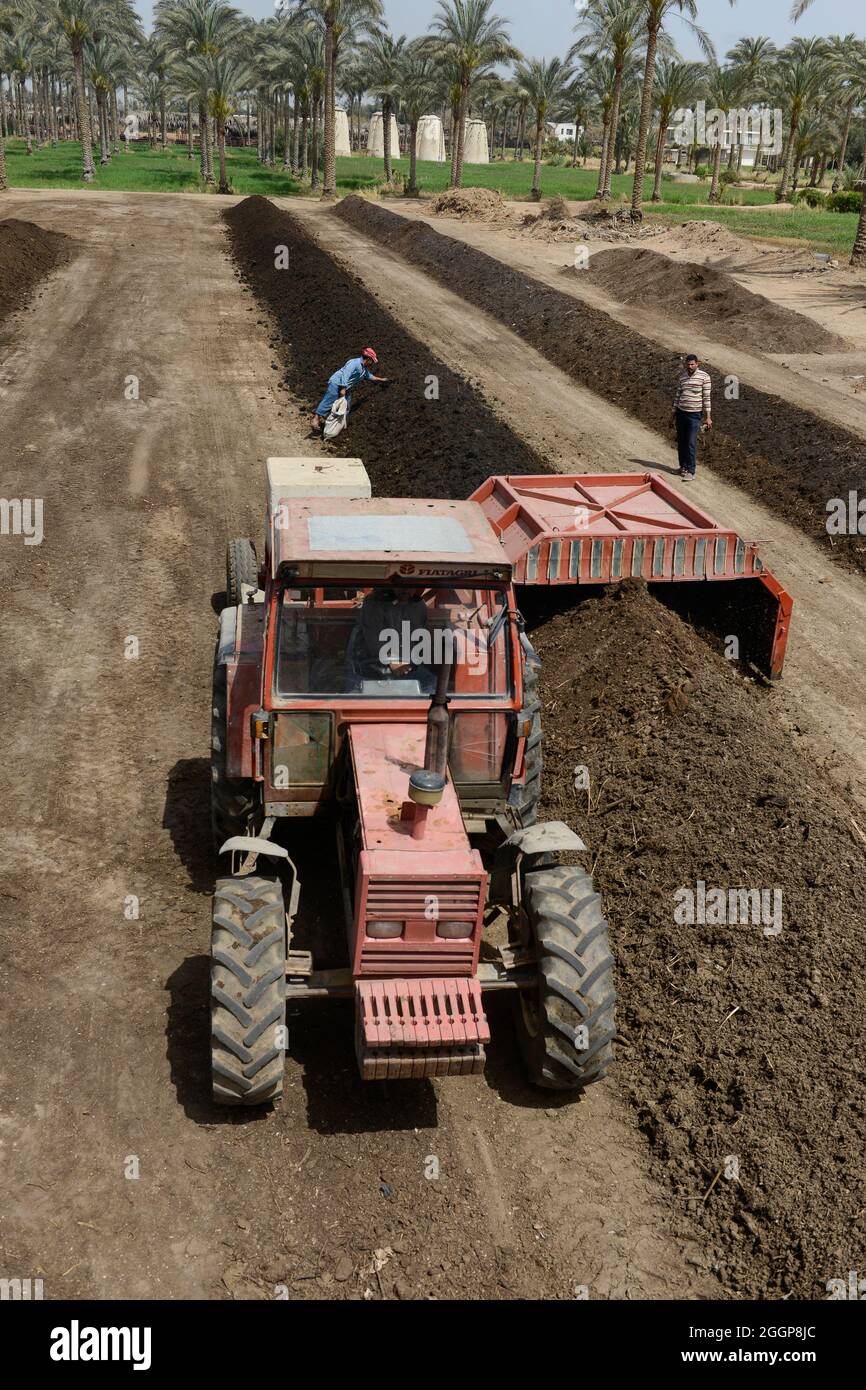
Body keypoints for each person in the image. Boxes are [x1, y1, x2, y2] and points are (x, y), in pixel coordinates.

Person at [311, 347, 389, 433]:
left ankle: (337, 425)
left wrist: (381, 379)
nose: (372, 363)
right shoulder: (354, 363)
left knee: (346, 406)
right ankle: (316, 419)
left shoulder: (363, 368)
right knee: (329, 400)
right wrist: (343, 389)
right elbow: (345, 374)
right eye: (372, 361)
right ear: (368, 359)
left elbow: (369, 376)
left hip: (346, 387)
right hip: (336, 383)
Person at [671, 353, 712, 481]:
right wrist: (672, 414)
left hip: (694, 415)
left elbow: (706, 398)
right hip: (681, 413)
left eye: (692, 364)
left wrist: (708, 417)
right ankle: (683, 466)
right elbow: (677, 397)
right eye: (688, 364)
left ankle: (691, 470)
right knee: (682, 441)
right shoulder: (682, 377)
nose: (690, 366)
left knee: (690, 442)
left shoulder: (704, 377)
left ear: (697, 364)